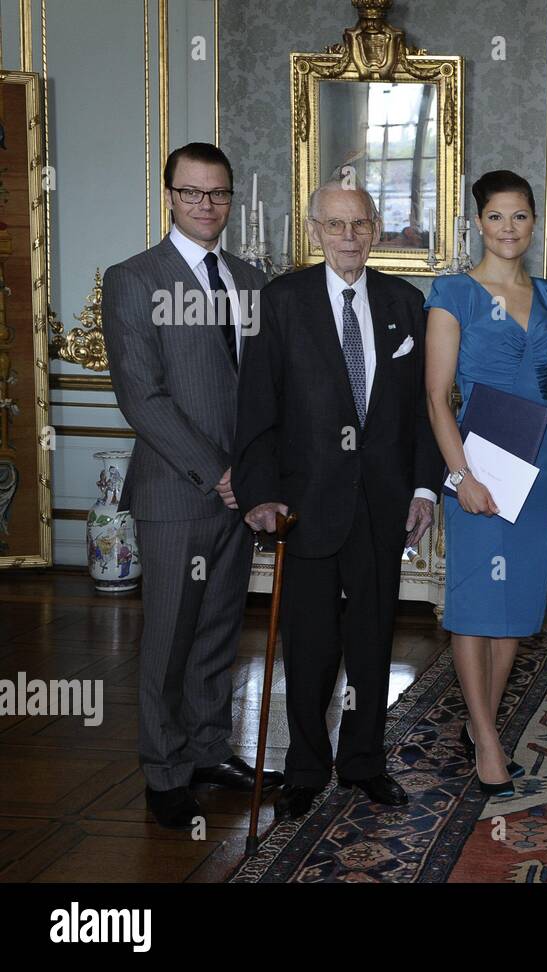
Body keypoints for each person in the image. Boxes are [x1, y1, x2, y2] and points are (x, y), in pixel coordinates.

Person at [234, 181, 440, 821]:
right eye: (335, 225)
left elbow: (428, 410)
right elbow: (257, 409)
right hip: (307, 504)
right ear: (315, 229)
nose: (348, 236)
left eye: (360, 224)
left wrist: (425, 488)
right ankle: (303, 768)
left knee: (375, 641)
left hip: (382, 505)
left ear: (376, 229)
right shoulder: (282, 301)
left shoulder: (407, 303)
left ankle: (364, 763)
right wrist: (261, 493)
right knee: (311, 643)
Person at [102, 142, 281, 829]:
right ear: (170, 196)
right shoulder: (134, 278)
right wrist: (221, 474)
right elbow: (142, 398)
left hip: (242, 494)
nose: (206, 205)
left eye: (218, 193)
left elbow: (263, 388)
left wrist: (260, 476)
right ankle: (166, 768)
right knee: (171, 637)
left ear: (232, 199)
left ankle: (208, 750)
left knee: (218, 632)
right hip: (179, 494)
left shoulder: (250, 279)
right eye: (192, 192)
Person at [424, 170, 547, 799]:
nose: (509, 228)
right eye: (497, 216)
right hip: (480, 462)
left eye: (521, 216)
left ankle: (483, 721)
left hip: (541, 461)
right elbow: (435, 395)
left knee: (515, 611)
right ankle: (485, 741)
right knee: (476, 605)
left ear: (534, 222)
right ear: (478, 223)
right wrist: (461, 476)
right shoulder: (453, 291)